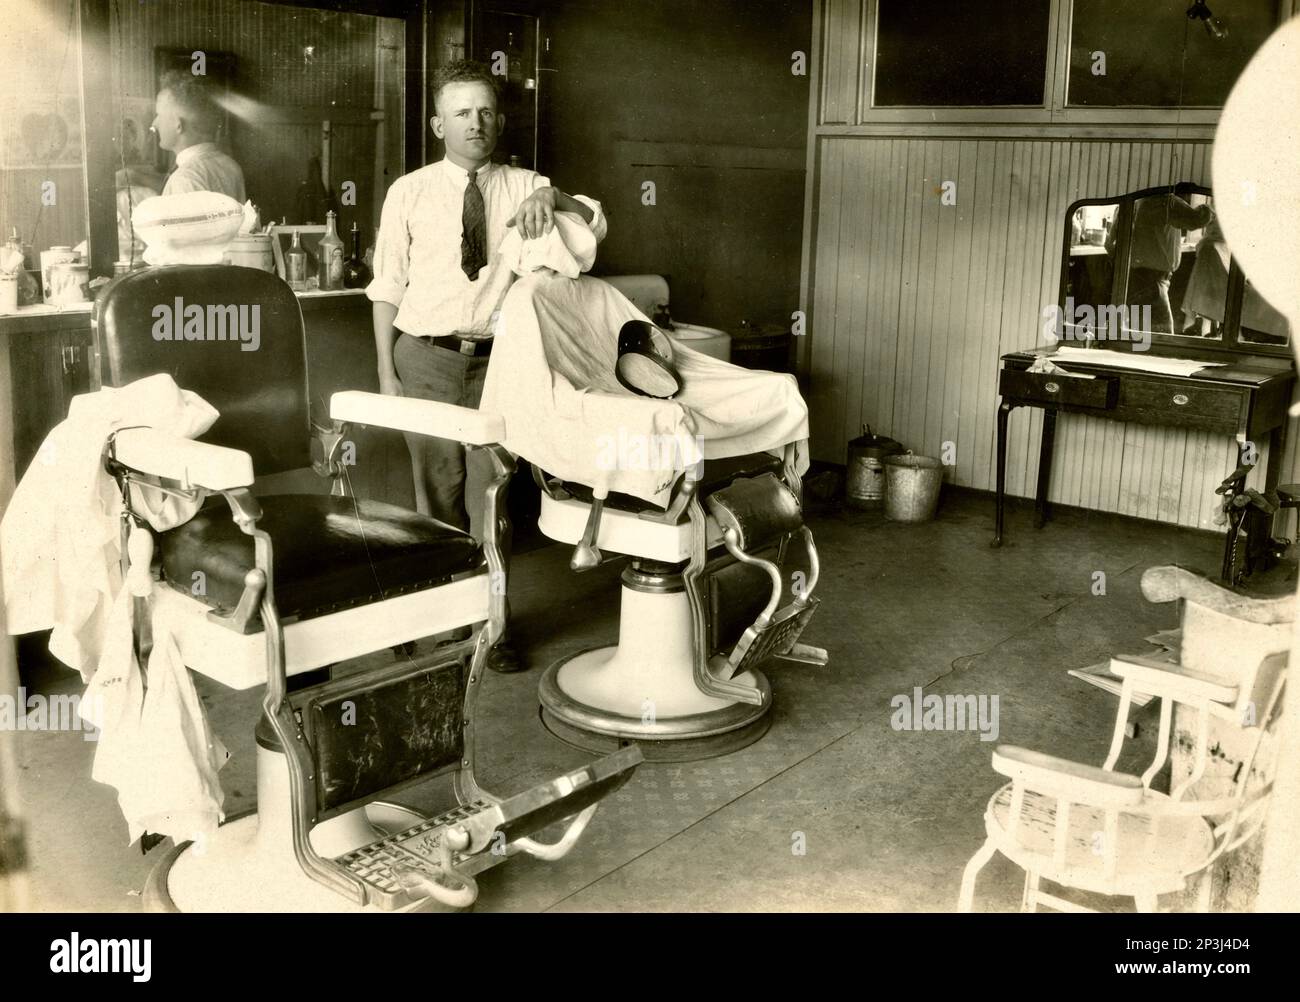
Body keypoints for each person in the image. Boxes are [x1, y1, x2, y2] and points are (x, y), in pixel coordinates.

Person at [366, 59, 607, 673]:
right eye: (461, 113)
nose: (475, 124)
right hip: (423, 358)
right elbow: (387, 285)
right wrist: (387, 375)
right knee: (436, 497)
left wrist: (553, 198)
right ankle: (437, 618)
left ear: (499, 120)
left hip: (502, 364)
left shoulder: (531, 186)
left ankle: (491, 628)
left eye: (485, 112)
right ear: (438, 123)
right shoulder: (409, 191)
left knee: (491, 500)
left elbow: (588, 225)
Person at [1126, 182, 1213, 333]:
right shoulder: (1166, 201)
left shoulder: (1142, 200)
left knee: (1143, 332)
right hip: (1153, 281)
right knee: (1165, 335)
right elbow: (1197, 219)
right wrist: (1211, 208)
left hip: (1143, 276)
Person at [151, 70, 246, 203]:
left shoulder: (184, 179)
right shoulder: (230, 165)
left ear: (178, 124)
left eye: (159, 115)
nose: (154, 123)